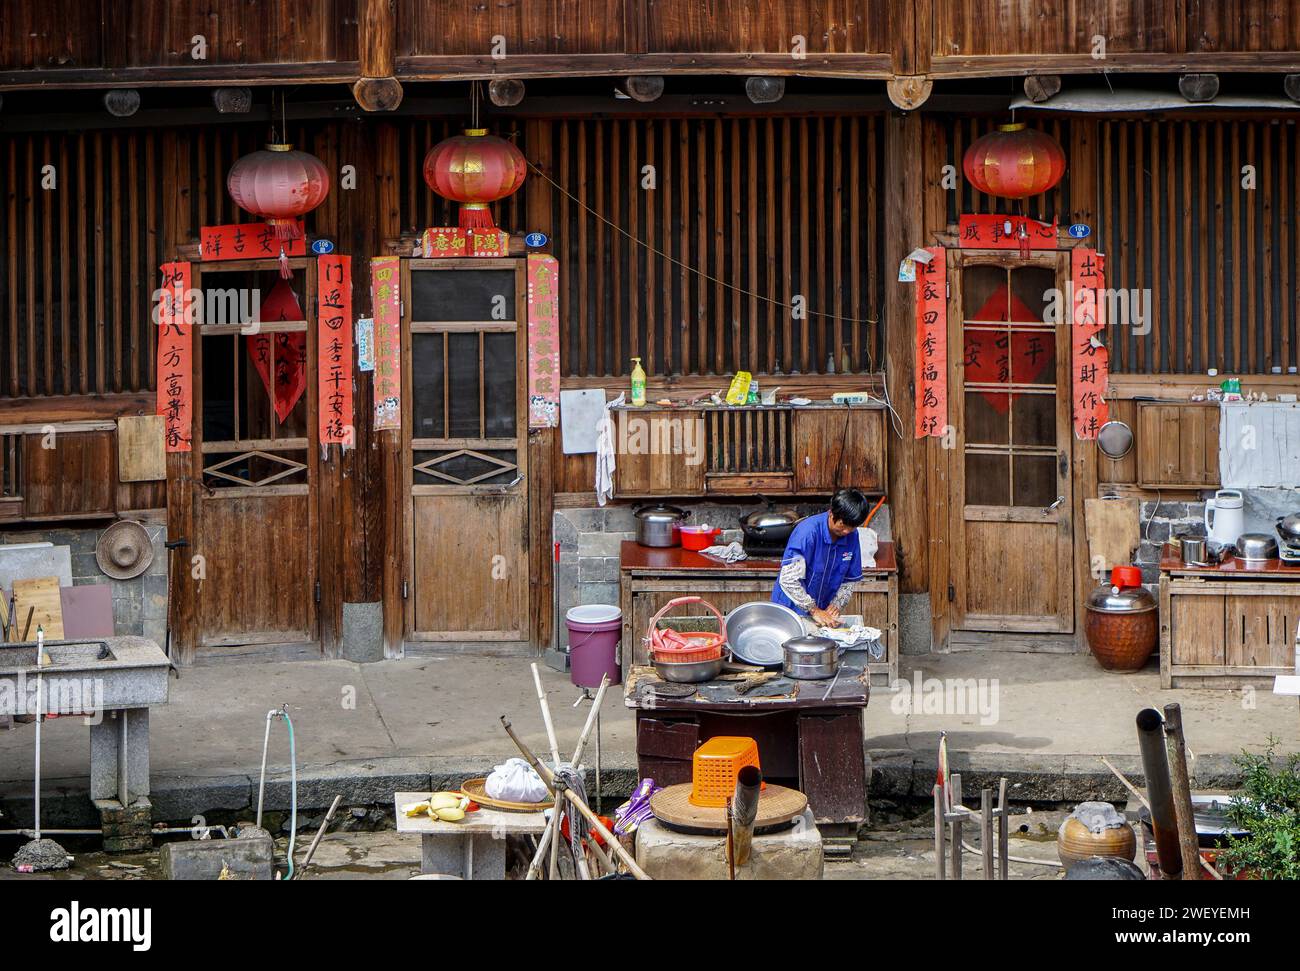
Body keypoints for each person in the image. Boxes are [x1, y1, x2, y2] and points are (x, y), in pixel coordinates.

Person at [770, 488, 869, 628]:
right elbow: (788, 580)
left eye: (852, 527)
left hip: (821, 614)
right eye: (842, 525)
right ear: (831, 513)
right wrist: (813, 609)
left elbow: (848, 580)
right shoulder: (807, 533)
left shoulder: (852, 536)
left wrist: (837, 603)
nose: (846, 531)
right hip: (790, 611)